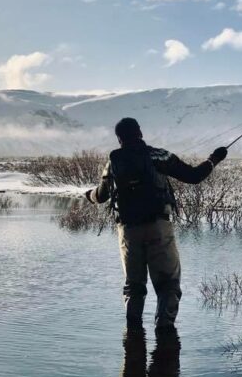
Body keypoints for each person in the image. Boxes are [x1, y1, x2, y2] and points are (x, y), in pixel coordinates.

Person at [85, 117, 227, 329]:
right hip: (159, 227)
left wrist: (89, 195)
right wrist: (214, 159)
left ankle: (133, 337)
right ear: (140, 133)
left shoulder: (113, 162)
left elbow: (102, 195)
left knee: (134, 287)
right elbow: (194, 176)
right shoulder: (159, 155)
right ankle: (165, 334)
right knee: (168, 285)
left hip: (128, 231)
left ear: (119, 139)